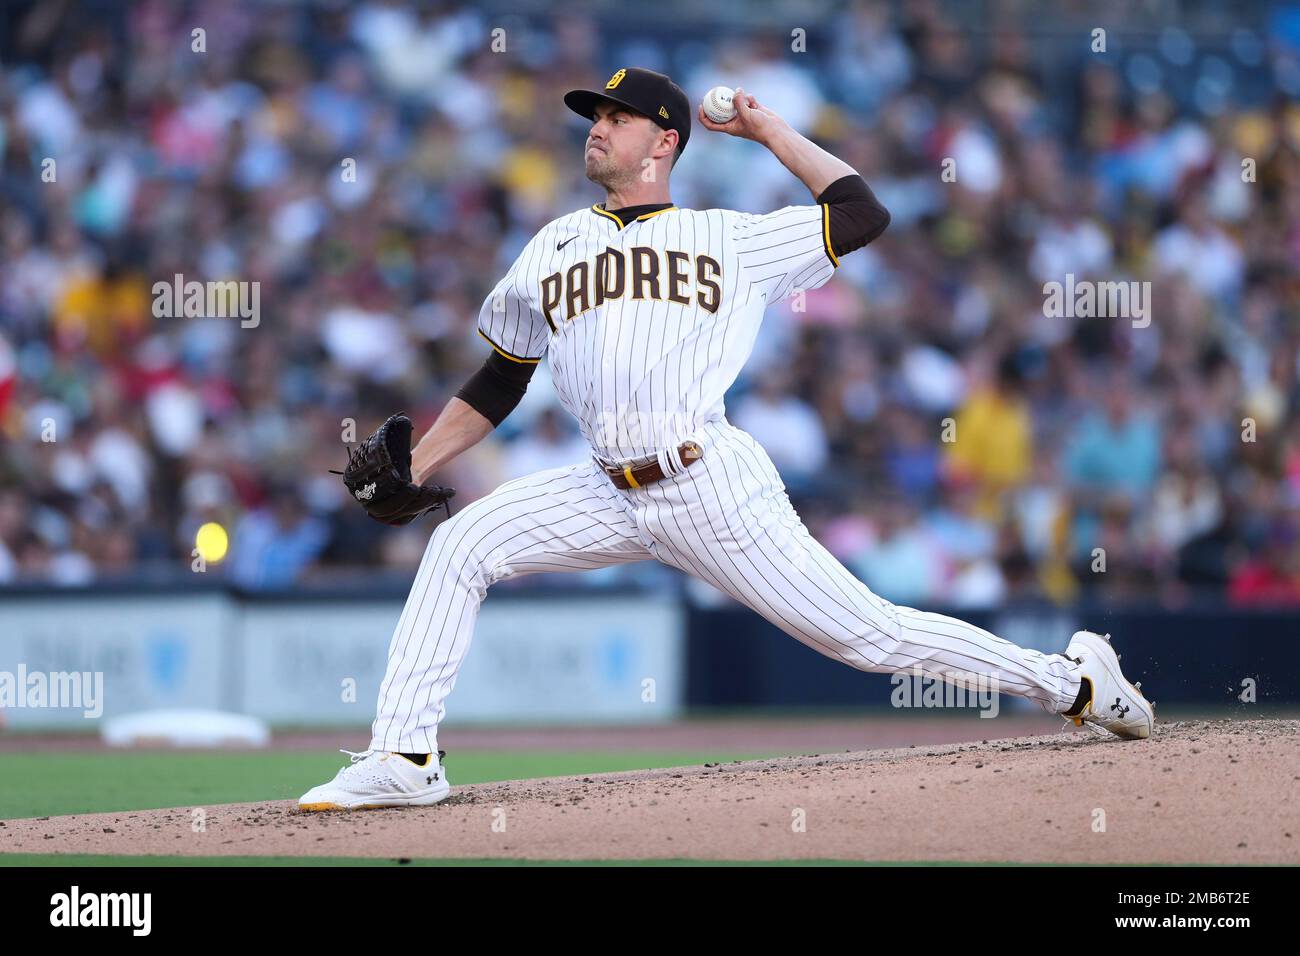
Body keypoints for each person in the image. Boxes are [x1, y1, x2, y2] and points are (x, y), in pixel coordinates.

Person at [298, 68, 1153, 811]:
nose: (595, 128)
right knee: (460, 543)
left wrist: (765, 127)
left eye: (614, 117)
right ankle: (405, 757)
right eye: (592, 116)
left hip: (707, 483)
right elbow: (500, 378)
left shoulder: (728, 238)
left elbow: (861, 210)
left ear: (662, 141)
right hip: (601, 488)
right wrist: (420, 463)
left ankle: (1072, 683)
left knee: (870, 637)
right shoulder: (552, 245)